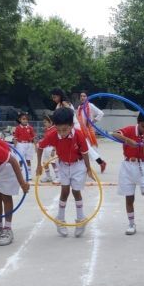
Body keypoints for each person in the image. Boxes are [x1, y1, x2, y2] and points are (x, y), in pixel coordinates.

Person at [36, 107, 93, 238]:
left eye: (65, 130)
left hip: (78, 165)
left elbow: (85, 153)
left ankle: (80, 219)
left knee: (76, 191)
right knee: (65, 191)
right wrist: (38, 165)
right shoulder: (52, 135)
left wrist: (88, 168)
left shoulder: (79, 134)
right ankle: (60, 219)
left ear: (71, 125)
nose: (61, 133)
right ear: (55, 126)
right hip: (63, 165)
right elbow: (40, 147)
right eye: (59, 130)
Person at [110, 107, 144, 235]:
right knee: (129, 197)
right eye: (143, 126)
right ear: (138, 122)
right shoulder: (129, 129)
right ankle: (131, 224)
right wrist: (128, 141)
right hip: (128, 166)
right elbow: (113, 134)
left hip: (142, 166)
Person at [50, 88, 107, 173]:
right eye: (53, 97)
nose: (53, 99)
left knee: (84, 146)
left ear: (59, 96)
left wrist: (91, 122)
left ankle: (97, 163)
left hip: (73, 127)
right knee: (82, 146)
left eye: (55, 97)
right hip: (69, 127)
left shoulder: (65, 104)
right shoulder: (62, 105)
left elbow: (70, 115)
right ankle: (98, 162)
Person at [39, 113, 60, 184]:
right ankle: (48, 177)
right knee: (45, 163)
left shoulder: (55, 129)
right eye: (44, 122)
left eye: (45, 122)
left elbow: (56, 140)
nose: (44, 124)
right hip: (46, 148)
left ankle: (58, 177)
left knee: (53, 163)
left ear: (51, 122)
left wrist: (54, 150)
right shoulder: (47, 129)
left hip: (52, 148)